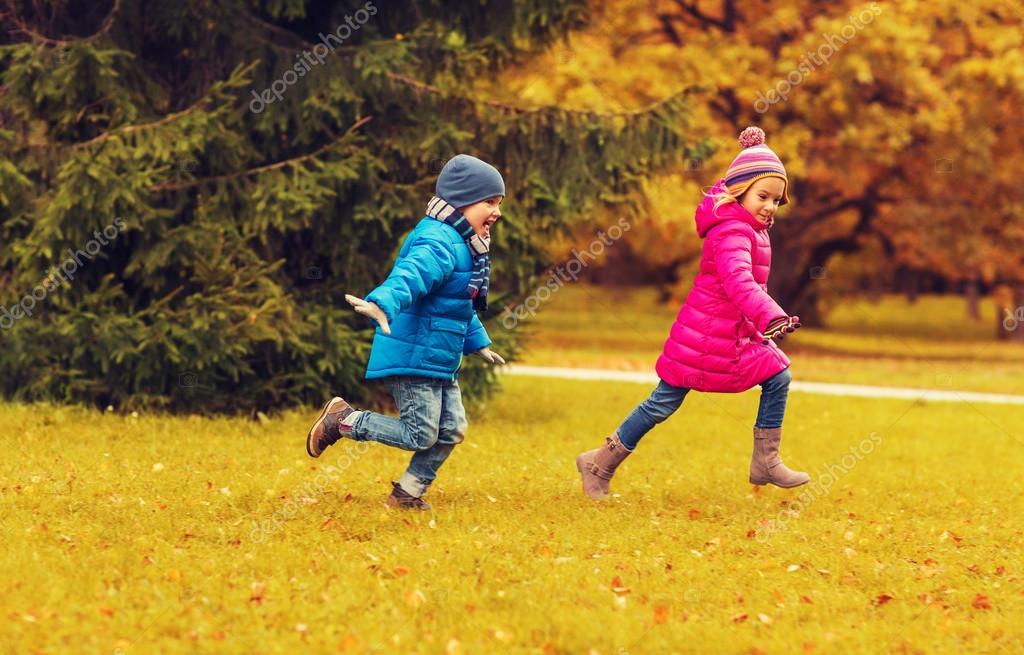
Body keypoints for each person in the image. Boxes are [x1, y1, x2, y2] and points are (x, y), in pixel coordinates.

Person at [575, 127, 808, 500]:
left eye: (776, 200)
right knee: (662, 403)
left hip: (728, 336)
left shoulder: (750, 229)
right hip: (706, 337)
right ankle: (598, 463)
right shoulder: (732, 229)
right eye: (762, 195)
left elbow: (746, 288)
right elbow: (738, 281)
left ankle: (766, 459)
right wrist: (771, 315)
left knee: (776, 375)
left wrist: (763, 323)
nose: (769, 205)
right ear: (739, 190)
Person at [306, 154, 507, 510]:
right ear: (461, 202)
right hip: (414, 353)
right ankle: (344, 420)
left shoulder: (463, 245)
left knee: (451, 430)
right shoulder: (439, 242)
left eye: (499, 203)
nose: (497, 212)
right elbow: (409, 278)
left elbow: (455, 305)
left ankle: (407, 494)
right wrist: (383, 303)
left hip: (438, 358)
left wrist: (479, 344)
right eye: (489, 202)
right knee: (420, 433)